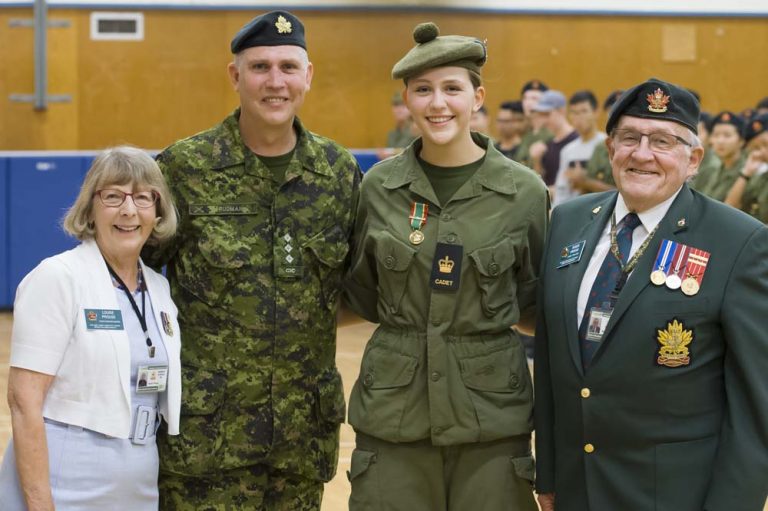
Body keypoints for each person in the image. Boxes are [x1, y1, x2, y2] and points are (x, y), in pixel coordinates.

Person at [141, 10, 361, 510]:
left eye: (288, 66)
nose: (275, 81)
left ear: (308, 75)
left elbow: (356, 287)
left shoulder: (337, 172)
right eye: (260, 67)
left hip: (302, 438)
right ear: (235, 76)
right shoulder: (184, 167)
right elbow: (134, 278)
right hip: (206, 441)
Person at [534, 78, 768, 511]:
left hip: (675, 495)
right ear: (610, 149)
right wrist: (548, 474)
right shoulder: (567, 221)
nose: (642, 154)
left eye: (662, 140)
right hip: (577, 488)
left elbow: (757, 406)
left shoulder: (739, 243)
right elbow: (551, 363)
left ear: (694, 159)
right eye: (630, 138)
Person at [344, 21, 547, 511]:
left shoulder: (524, 192)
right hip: (394, 416)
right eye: (423, 90)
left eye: (452, 89)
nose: (438, 104)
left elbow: (536, 305)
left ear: (478, 97)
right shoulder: (378, 187)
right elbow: (362, 294)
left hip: (491, 421)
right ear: (407, 101)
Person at [0, 146, 181, 510]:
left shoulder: (159, 290)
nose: (129, 210)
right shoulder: (58, 278)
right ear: (90, 208)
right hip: (65, 483)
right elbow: (24, 402)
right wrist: (40, 504)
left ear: (157, 212)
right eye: (113, 196)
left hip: (138, 484)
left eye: (143, 198)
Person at [552, 90, 607, 206]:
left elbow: (617, 190)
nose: (579, 117)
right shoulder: (567, 150)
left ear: (596, 112)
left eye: (584, 111)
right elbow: (561, 189)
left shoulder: (607, 144)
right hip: (572, 209)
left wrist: (585, 182)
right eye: (574, 113)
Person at [725, 113, 768, 223]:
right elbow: (729, 209)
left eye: (766, 144)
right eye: (756, 148)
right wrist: (746, 173)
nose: (762, 152)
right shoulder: (761, 176)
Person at [530, 90, 578, 188]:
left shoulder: (576, 141)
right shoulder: (548, 144)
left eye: (546, 114)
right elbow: (539, 184)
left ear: (561, 111)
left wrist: (549, 191)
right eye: (540, 115)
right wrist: (536, 161)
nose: (543, 120)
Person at [695, 111, 746, 201]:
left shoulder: (746, 171)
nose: (720, 141)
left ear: (741, 141)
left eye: (727, 135)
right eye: (716, 135)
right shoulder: (716, 169)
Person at [582, 89, 623, 192]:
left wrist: (589, 183)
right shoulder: (601, 147)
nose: (615, 117)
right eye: (611, 112)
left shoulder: (638, 147)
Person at [513, 79, 553, 168]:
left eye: (534, 98)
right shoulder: (526, 134)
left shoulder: (551, 133)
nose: (528, 103)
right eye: (525, 98)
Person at [689, 111, 721, 191]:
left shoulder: (713, 165)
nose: (693, 137)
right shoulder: (685, 157)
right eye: (690, 132)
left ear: (710, 136)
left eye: (697, 132)